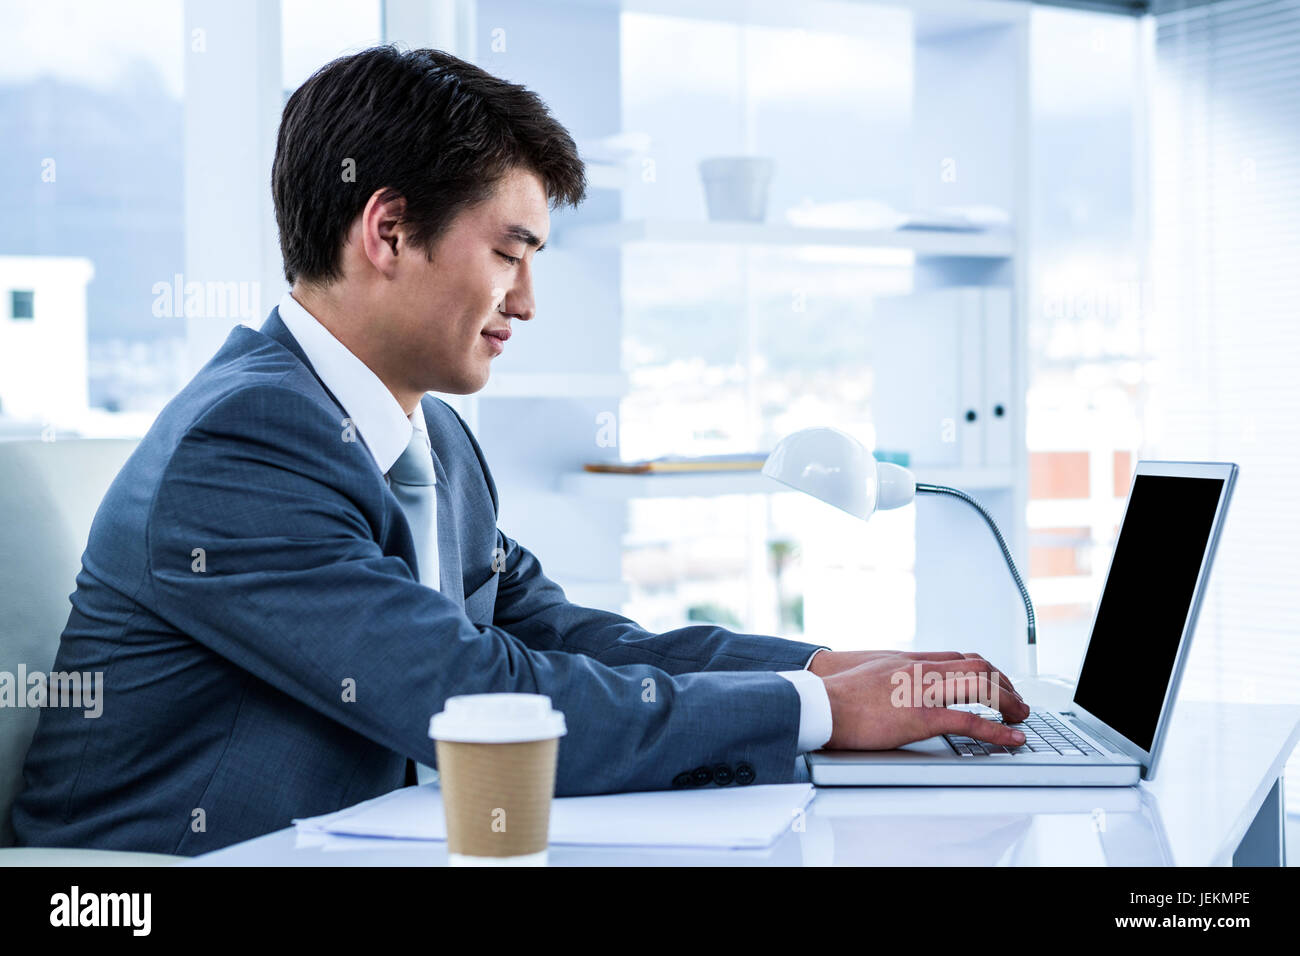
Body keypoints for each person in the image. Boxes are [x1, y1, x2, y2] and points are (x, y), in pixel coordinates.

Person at [12, 47, 1026, 856]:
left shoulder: (431, 434)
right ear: (390, 229)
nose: (527, 303)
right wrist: (817, 710)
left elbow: (567, 636)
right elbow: (474, 692)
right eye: (510, 252)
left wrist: (825, 663)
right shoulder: (242, 445)